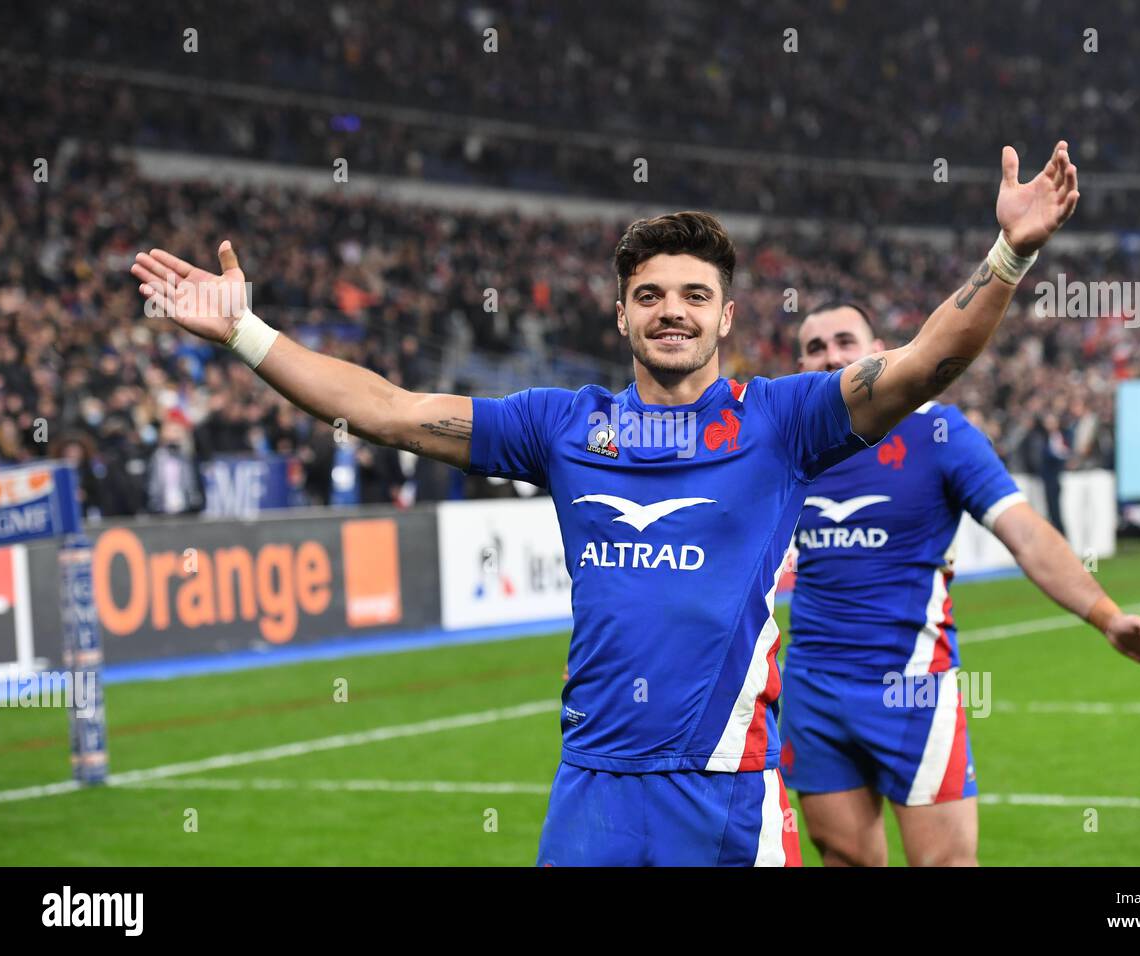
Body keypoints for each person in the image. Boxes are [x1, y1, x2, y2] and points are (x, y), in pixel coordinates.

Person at [128, 142, 1080, 866]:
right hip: (592, 788)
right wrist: (246, 332)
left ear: (727, 316)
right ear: (622, 313)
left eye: (695, 295)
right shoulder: (561, 426)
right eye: (651, 293)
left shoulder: (783, 421)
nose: (673, 309)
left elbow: (921, 363)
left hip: (727, 793)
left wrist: (1007, 255)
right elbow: (388, 410)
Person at [781, 302, 1140, 867]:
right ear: (800, 362)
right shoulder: (792, 445)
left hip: (911, 688)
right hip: (813, 686)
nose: (831, 356)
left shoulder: (937, 432)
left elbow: (1028, 536)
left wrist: (1107, 616)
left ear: (880, 352)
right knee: (843, 856)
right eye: (815, 347)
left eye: (845, 340)